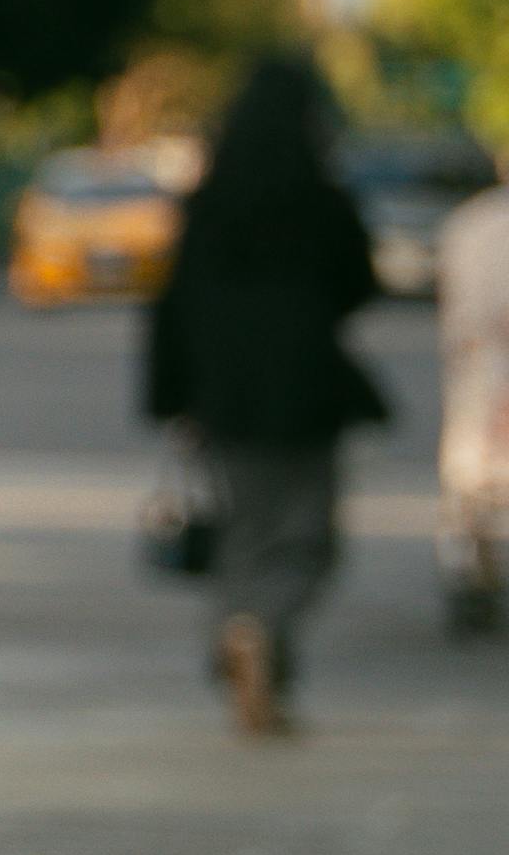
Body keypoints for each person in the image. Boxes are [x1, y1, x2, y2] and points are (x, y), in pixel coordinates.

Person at [141, 48, 385, 736]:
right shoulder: (323, 199)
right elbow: (358, 287)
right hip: (309, 391)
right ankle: (266, 633)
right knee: (308, 535)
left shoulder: (208, 206)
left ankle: (239, 634)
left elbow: (173, 308)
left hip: (224, 397)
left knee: (243, 532)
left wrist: (171, 396)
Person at [436, 159, 509, 641]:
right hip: (488, 362)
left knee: (470, 486)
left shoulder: (471, 222)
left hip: (478, 365)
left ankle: (472, 579)